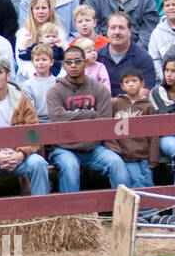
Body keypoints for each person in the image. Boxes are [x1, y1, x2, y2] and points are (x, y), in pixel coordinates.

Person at [46, 45, 129, 193]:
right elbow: (58, 117)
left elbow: (103, 121)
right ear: (63, 65)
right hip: (64, 148)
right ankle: (72, 215)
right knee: (70, 167)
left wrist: (72, 117)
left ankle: (125, 212)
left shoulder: (99, 89)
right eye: (69, 62)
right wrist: (89, 114)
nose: (73, 66)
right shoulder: (55, 91)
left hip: (93, 148)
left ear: (85, 62)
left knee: (116, 163)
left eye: (77, 61)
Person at [0, 55, 50, 198]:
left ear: (8, 76)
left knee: (39, 163)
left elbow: (33, 134)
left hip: (19, 154)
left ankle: (43, 214)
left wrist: (20, 154)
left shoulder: (22, 99)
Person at [98, 12, 156, 95]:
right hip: (102, 106)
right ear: (107, 31)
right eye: (113, 28)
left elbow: (144, 93)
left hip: (133, 106)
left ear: (130, 31)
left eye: (121, 28)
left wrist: (116, 103)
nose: (117, 32)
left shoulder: (143, 58)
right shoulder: (97, 57)